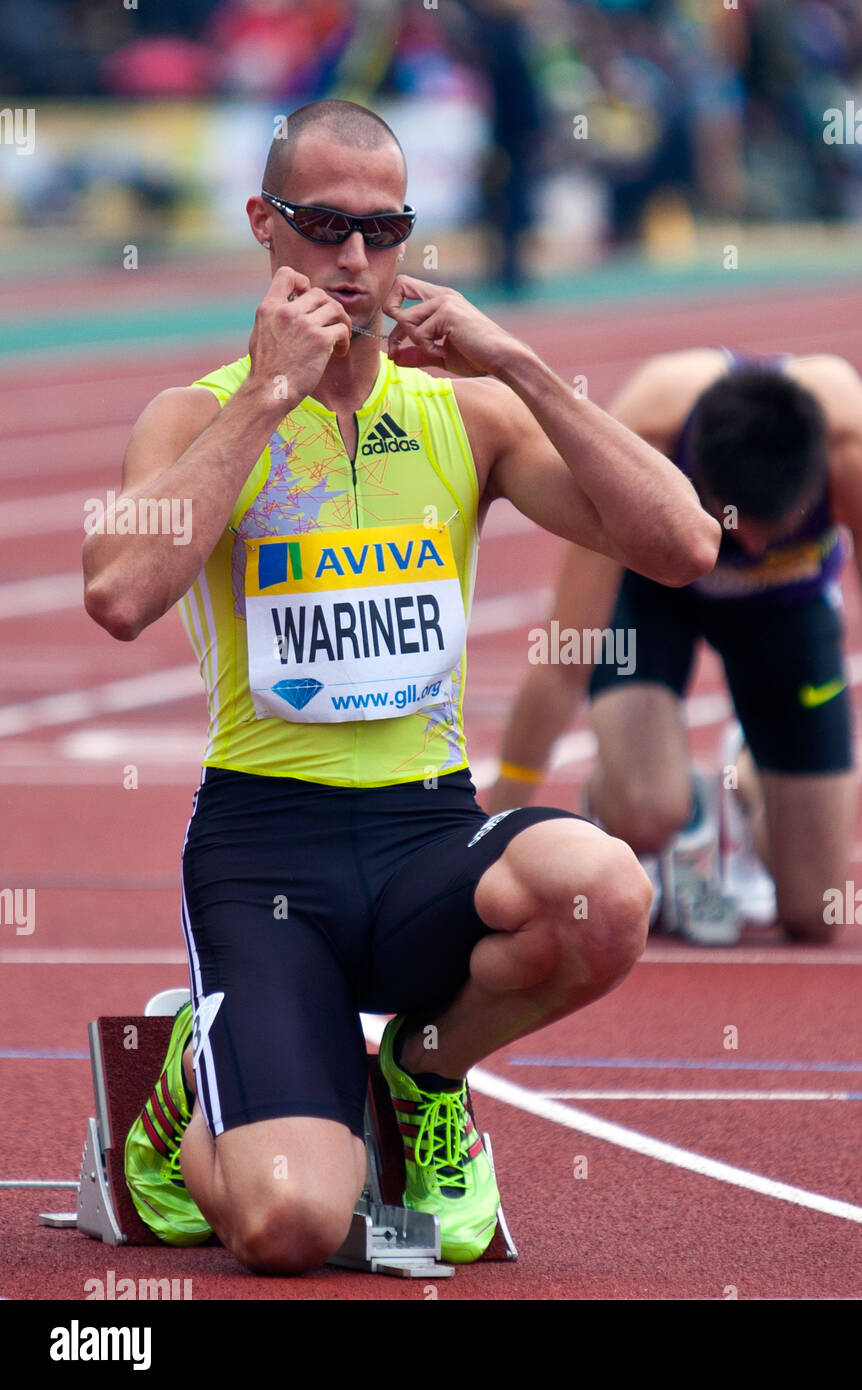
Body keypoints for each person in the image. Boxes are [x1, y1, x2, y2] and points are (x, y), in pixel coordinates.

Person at [81, 99, 720, 1274]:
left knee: (608, 893)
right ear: (264, 222)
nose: (355, 258)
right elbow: (119, 594)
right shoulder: (196, 417)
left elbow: (685, 546)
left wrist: (519, 362)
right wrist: (271, 394)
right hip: (267, 853)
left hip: (429, 834)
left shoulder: (464, 415)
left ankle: (424, 1071)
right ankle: (175, 1102)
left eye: (384, 229)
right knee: (290, 1228)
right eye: (325, 225)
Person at [487, 347, 862, 957]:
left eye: (774, 532)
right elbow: (563, 661)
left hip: (786, 606)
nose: (750, 550)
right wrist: (490, 846)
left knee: (815, 912)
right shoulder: (641, 433)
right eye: (735, 530)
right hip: (654, 587)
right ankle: (658, 799)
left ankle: (748, 770)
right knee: (645, 809)